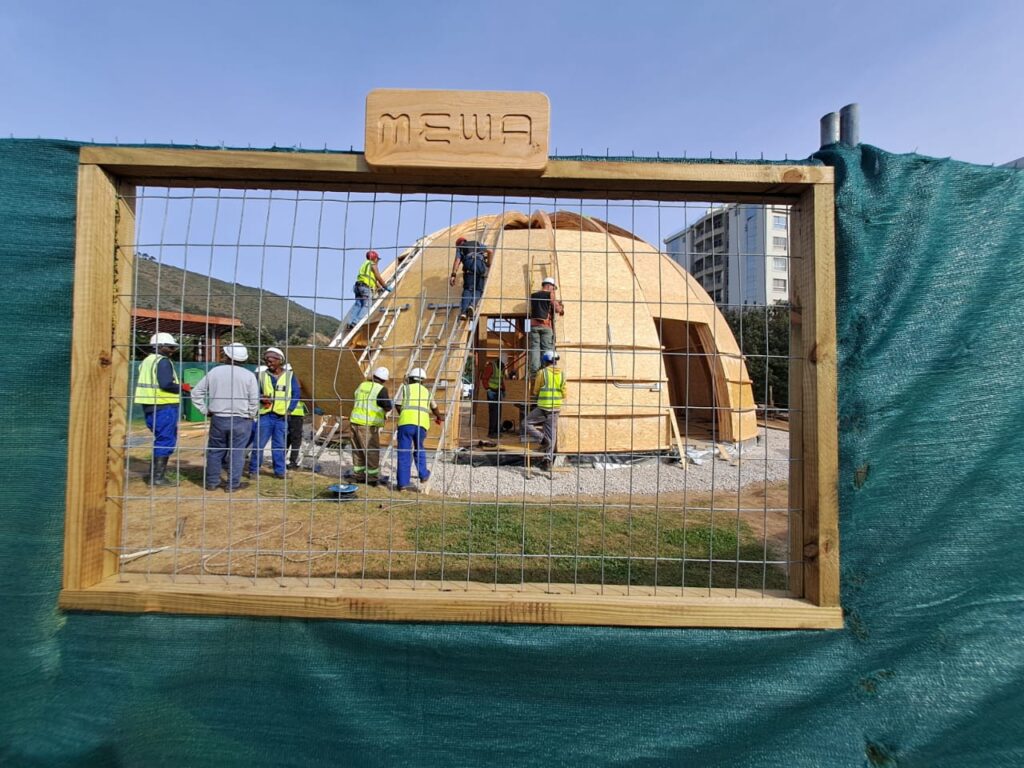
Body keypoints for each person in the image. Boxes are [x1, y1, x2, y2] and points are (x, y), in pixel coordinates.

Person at [190, 343, 259, 492]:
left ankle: (212, 483)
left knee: (215, 451)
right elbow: (254, 401)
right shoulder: (249, 376)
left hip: (219, 419)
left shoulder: (215, 372)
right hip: (241, 420)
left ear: (227, 356)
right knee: (236, 453)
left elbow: (196, 392)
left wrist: (205, 410)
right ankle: (232, 485)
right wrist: (250, 415)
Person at [134, 332, 187, 486]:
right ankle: (157, 478)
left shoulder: (147, 361)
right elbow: (165, 384)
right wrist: (181, 387)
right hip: (164, 405)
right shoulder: (163, 362)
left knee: (161, 438)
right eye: (170, 347)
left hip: (150, 405)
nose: (172, 350)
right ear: (160, 346)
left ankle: (155, 475)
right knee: (166, 439)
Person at [247, 347, 301, 479]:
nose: (268, 363)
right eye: (266, 360)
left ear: (279, 360)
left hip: (281, 417)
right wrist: (261, 397)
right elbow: (253, 393)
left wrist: (290, 410)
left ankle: (280, 472)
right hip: (265, 415)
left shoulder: (290, 376)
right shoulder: (261, 376)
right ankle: (254, 471)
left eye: (271, 361)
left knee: (279, 446)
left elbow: (296, 393)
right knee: (258, 445)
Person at [394, 367, 443, 491]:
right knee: (419, 449)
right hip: (421, 425)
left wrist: (405, 414)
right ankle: (423, 475)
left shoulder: (405, 388)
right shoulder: (427, 392)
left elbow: (398, 405)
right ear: (422, 380)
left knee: (404, 452)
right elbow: (434, 407)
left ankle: (403, 484)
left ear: (410, 378)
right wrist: (439, 417)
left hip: (405, 424)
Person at [349, 367, 393, 486]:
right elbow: (387, 406)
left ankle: (359, 476)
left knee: (357, 450)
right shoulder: (381, 389)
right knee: (371, 451)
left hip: (354, 422)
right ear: (384, 380)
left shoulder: (362, 385)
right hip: (368, 425)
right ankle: (372, 479)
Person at [524, 350, 567, 471]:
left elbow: (536, 390)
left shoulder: (542, 373)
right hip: (556, 408)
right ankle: (547, 460)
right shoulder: (562, 374)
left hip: (543, 407)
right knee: (551, 434)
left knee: (526, 423)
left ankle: (542, 439)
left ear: (545, 361)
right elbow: (564, 393)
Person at [528, 277, 564, 378]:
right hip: (545, 325)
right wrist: (561, 308)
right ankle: (545, 371)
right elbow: (557, 309)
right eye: (553, 288)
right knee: (546, 349)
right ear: (548, 286)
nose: (553, 290)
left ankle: (534, 372)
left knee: (535, 348)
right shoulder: (550, 294)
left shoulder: (533, 295)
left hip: (534, 326)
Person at [347, 250, 391, 331]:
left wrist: (379, 288)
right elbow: (378, 277)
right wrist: (385, 287)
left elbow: (372, 279)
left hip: (358, 287)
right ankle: (355, 323)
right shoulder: (373, 265)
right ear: (375, 258)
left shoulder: (364, 265)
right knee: (367, 305)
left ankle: (349, 323)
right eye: (377, 259)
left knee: (358, 305)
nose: (378, 261)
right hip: (365, 288)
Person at [449, 237, 491, 320]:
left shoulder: (461, 248)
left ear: (458, 245)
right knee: (478, 290)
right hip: (480, 267)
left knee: (468, 289)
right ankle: (472, 305)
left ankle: (464, 312)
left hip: (469, 267)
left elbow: (457, 260)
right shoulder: (477, 244)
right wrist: (489, 264)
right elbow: (490, 251)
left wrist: (453, 275)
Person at [479, 354, 510, 439]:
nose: (504, 365)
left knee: (498, 411)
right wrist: (487, 389)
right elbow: (484, 378)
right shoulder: (491, 366)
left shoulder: (502, 367)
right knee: (493, 412)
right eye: (503, 364)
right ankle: (491, 432)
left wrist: (504, 390)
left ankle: (497, 431)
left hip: (498, 391)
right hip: (491, 391)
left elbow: (501, 380)